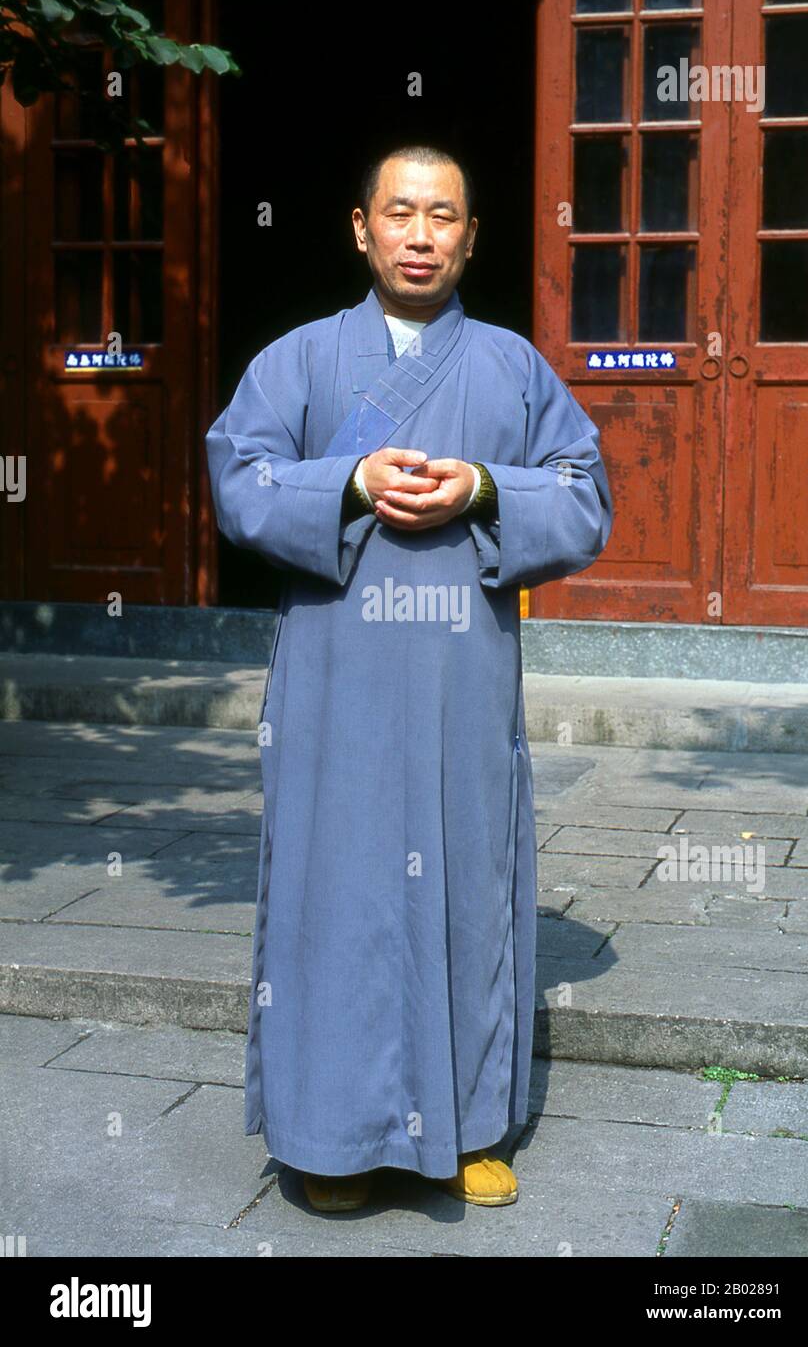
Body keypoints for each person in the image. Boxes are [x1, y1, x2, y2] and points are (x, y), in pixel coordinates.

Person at [205, 145, 613, 1213]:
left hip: (459, 686)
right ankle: (330, 1140)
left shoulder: (516, 368)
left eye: (444, 216)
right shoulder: (296, 361)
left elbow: (584, 494)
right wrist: (346, 477)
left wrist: (483, 485)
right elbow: (238, 482)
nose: (422, 235)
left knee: (468, 884)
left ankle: (469, 1129)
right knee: (331, 891)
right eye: (401, 213)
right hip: (335, 679)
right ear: (360, 228)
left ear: (472, 237)